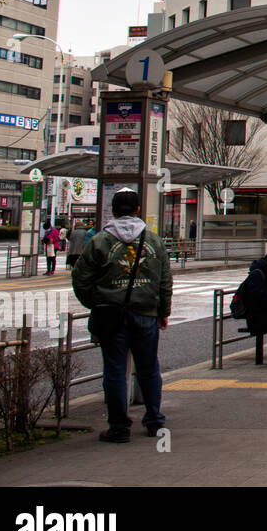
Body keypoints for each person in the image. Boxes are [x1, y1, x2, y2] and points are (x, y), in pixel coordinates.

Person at [71, 189, 172, 443]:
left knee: (115, 370)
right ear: (138, 210)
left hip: (111, 314)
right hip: (146, 313)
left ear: (113, 211)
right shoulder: (154, 241)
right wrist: (163, 311)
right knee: (149, 369)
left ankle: (119, 427)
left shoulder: (100, 241)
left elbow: (81, 278)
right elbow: (165, 281)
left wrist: (97, 302)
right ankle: (153, 420)